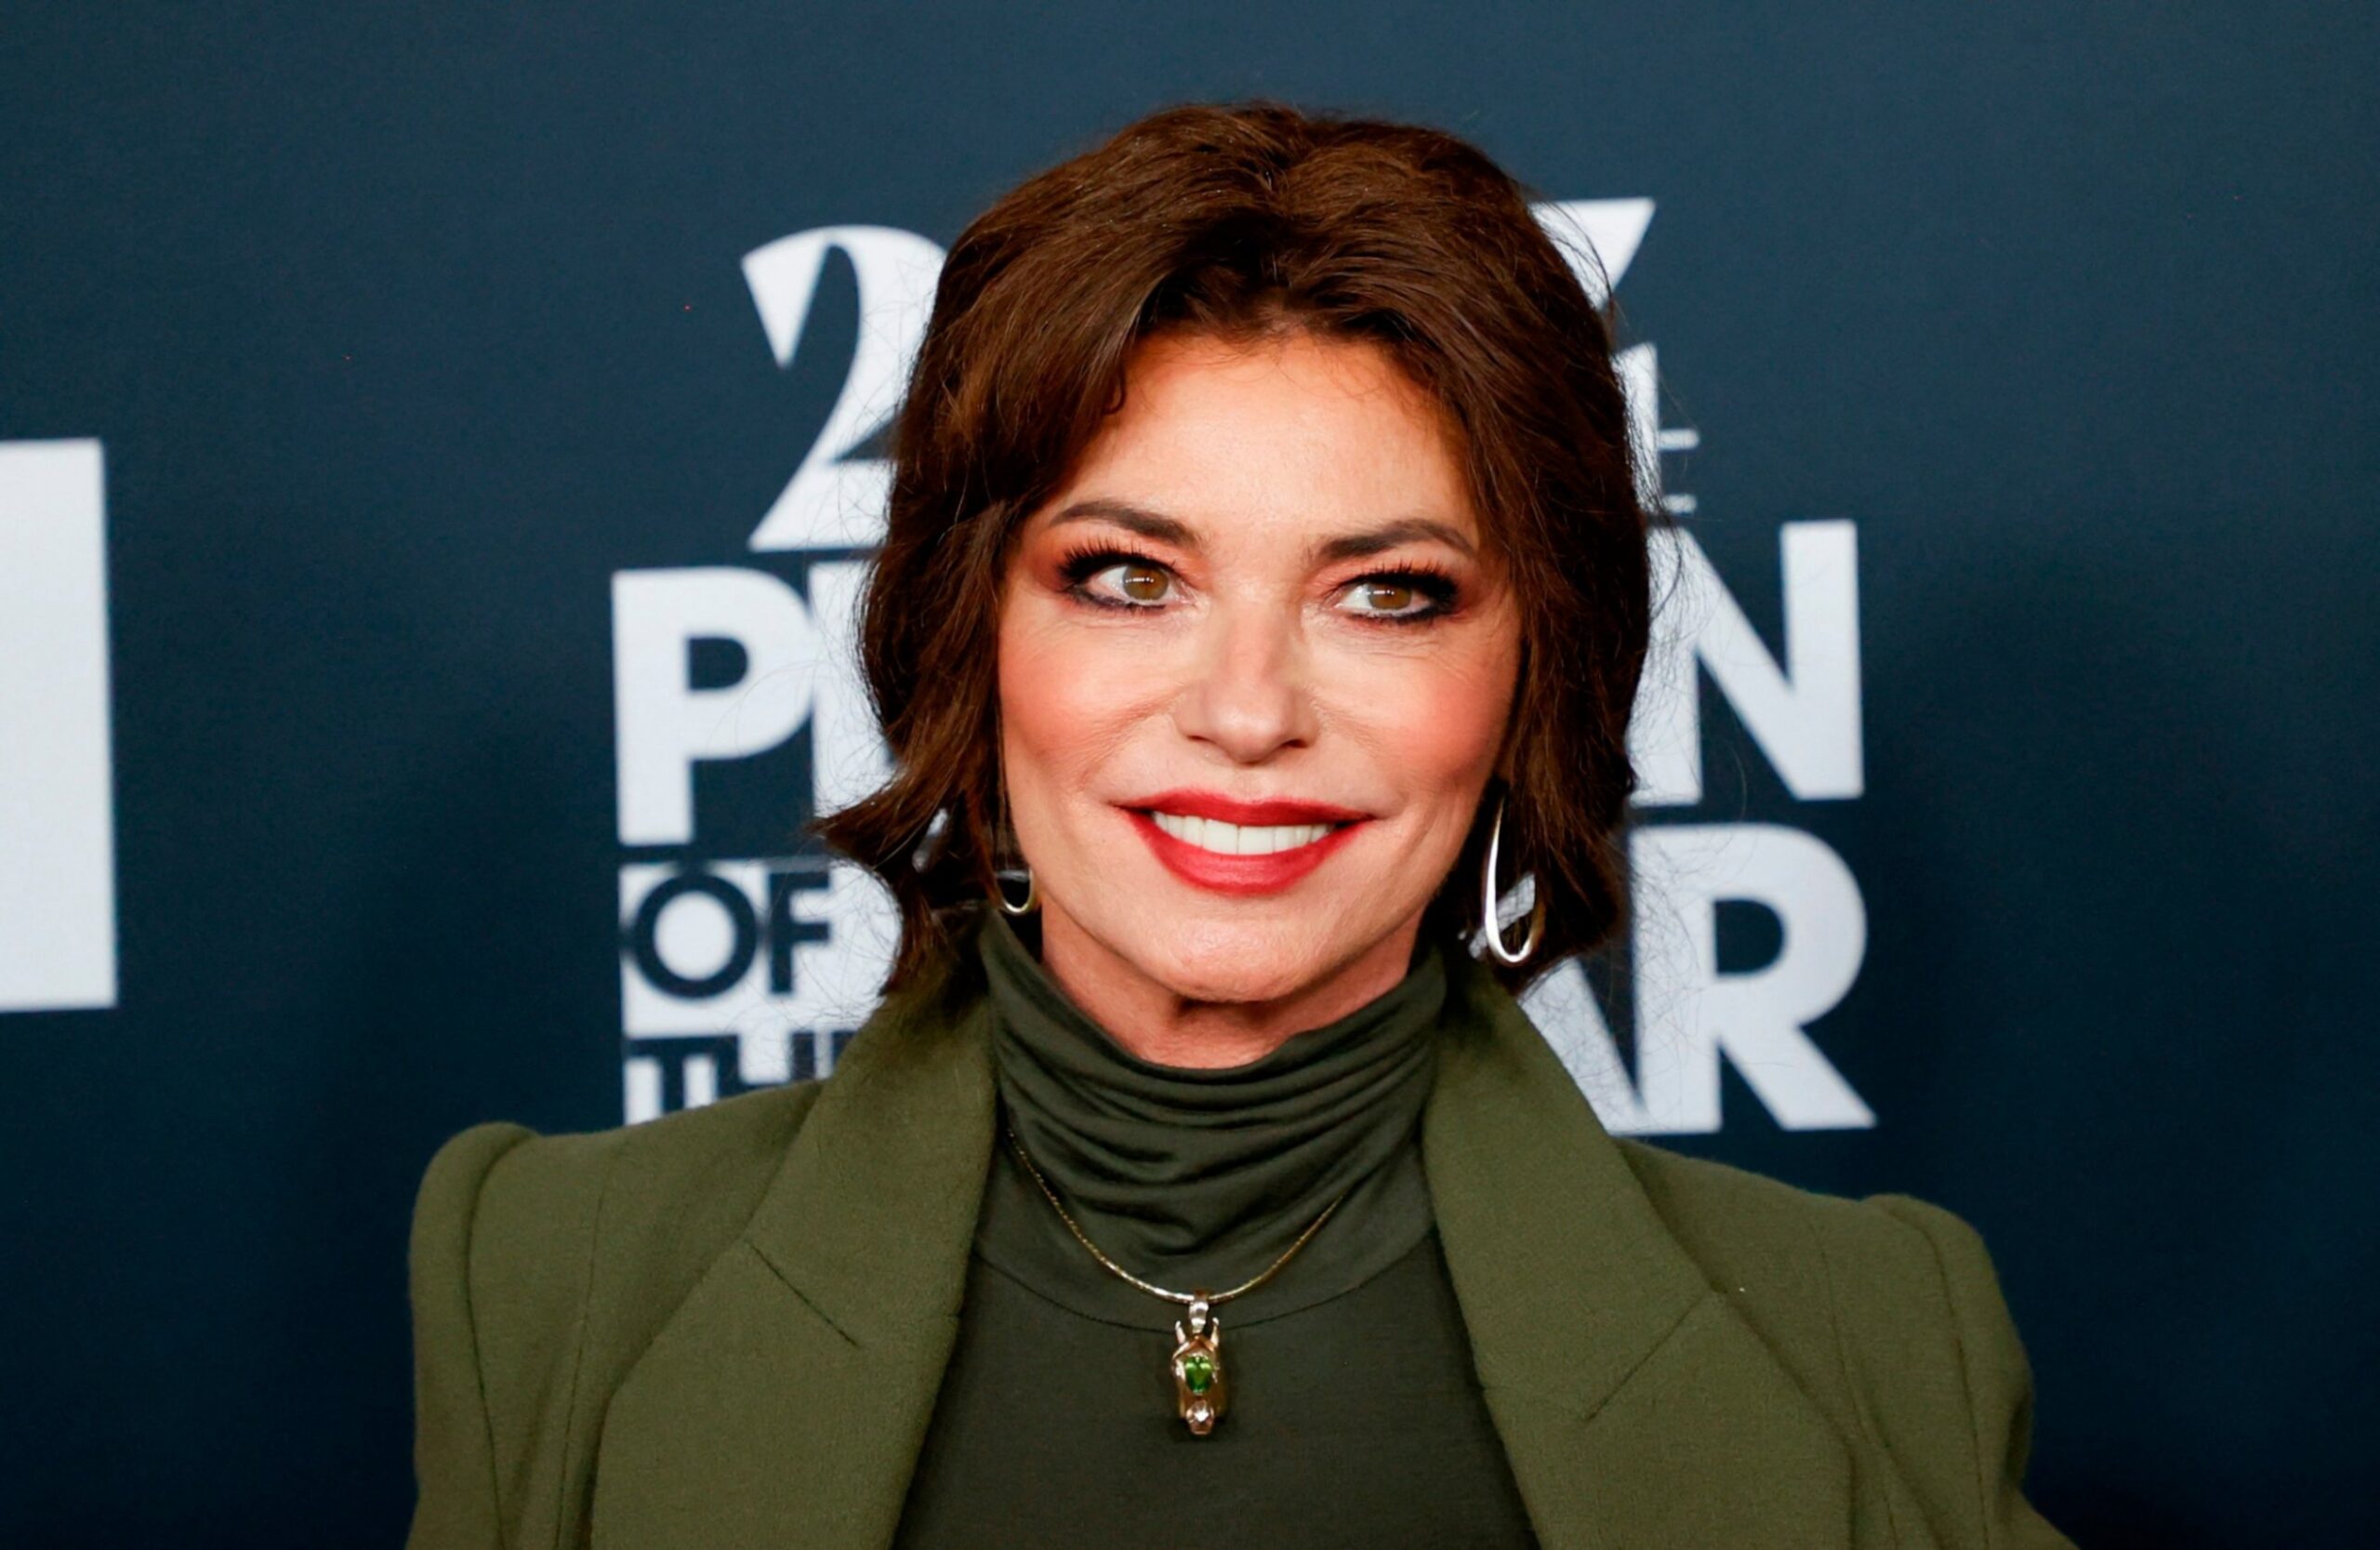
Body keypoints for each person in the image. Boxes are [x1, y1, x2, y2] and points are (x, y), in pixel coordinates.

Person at [404, 101, 2073, 1549]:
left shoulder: (1864, 1337)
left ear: (1535, 678)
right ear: (971, 637)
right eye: (1130, 578)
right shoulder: (557, 1284)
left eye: (1389, 593)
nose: (1250, 710)